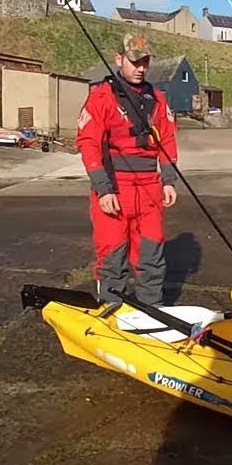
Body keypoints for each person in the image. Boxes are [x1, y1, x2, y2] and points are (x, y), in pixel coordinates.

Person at [76, 33, 179, 307]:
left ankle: (151, 309)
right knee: (112, 256)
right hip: (116, 187)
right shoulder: (101, 97)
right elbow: (88, 143)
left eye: (145, 62)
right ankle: (110, 308)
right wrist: (103, 189)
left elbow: (168, 139)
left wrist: (169, 180)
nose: (141, 68)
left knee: (152, 255)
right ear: (119, 59)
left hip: (150, 189)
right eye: (135, 62)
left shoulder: (157, 99)